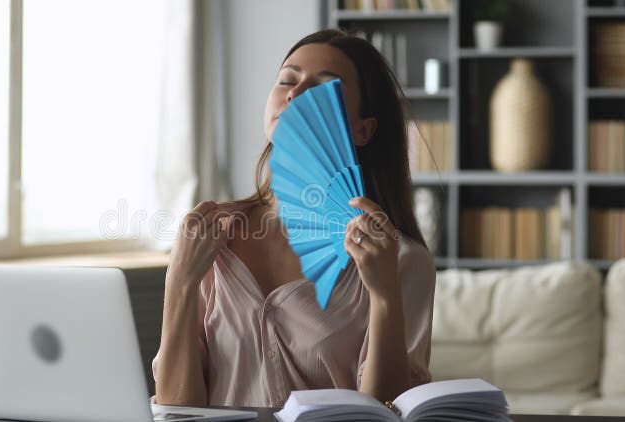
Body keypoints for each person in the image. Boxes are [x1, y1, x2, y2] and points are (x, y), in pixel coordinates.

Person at [152, 28, 436, 408]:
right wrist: (179, 283)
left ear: (362, 130)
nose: (295, 94)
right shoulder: (208, 242)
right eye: (287, 79)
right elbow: (175, 409)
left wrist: (384, 298)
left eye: (322, 89)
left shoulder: (402, 262)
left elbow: (387, 410)